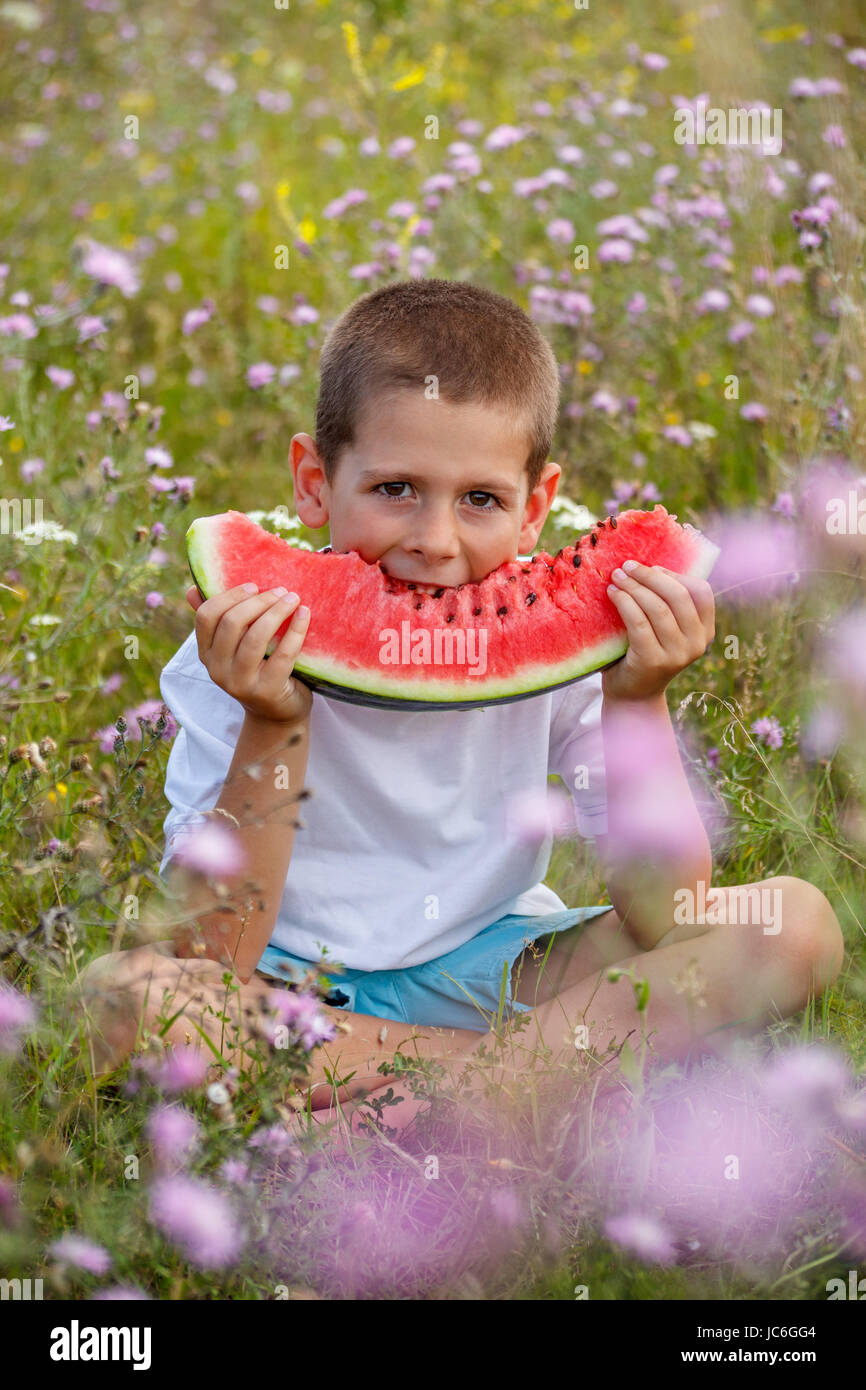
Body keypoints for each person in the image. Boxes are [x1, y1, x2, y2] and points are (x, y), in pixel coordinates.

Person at [78, 278, 844, 1142]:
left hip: (494, 966)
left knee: (793, 923)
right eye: (396, 488)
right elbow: (210, 953)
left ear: (537, 508)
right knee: (122, 998)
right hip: (292, 988)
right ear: (314, 481)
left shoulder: (575, 661)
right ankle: (515, 1082)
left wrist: (637, 701)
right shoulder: (239, 648)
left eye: (480, 499)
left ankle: (389, 1103)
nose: (434, 541)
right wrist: (274, 718)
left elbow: (671, 915)